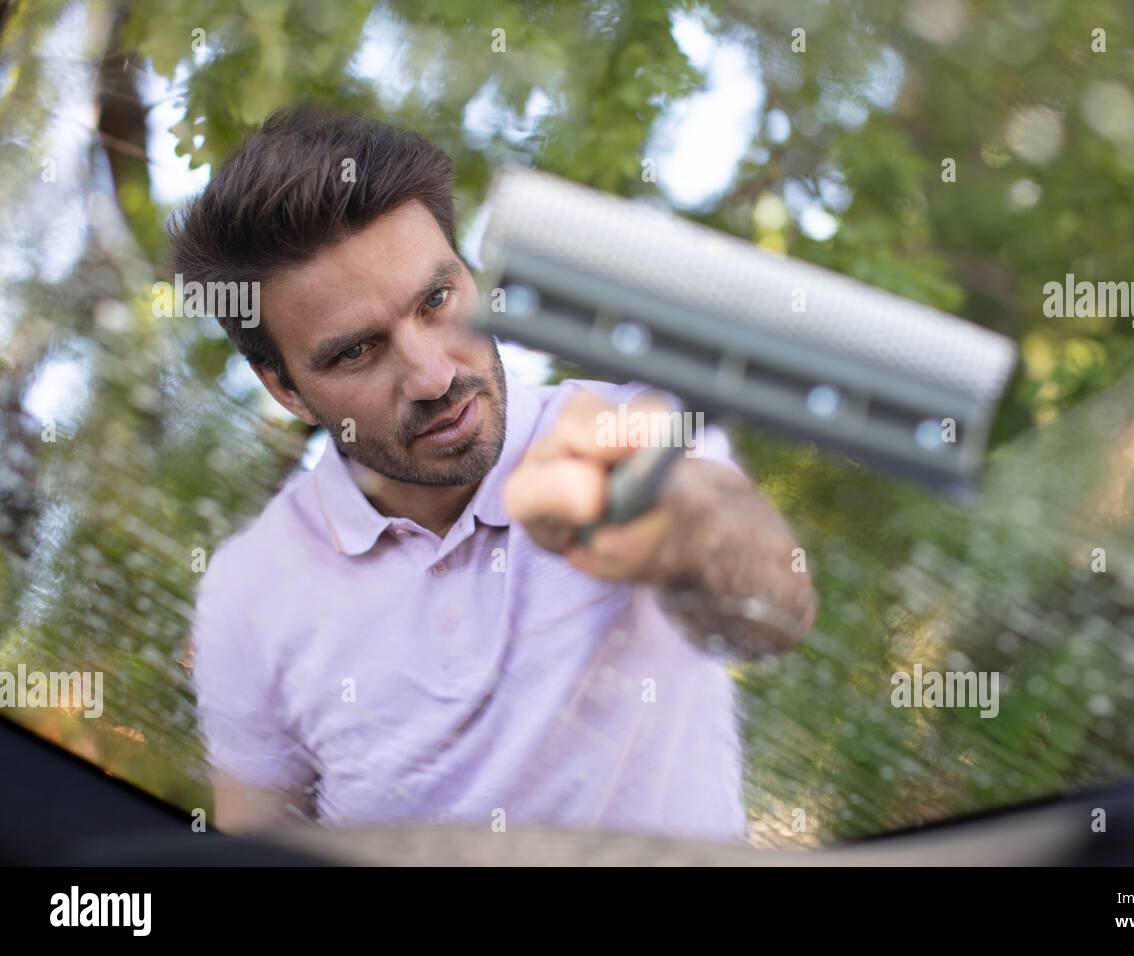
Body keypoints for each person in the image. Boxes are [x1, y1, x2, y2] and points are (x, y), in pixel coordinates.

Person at [177, 106, 816, 843]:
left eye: (437, 300)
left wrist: (686, 527)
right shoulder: (248, 592)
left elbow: (774, 608)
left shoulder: (626, 433)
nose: (432, 375)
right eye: (356, 352)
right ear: (285, 388)